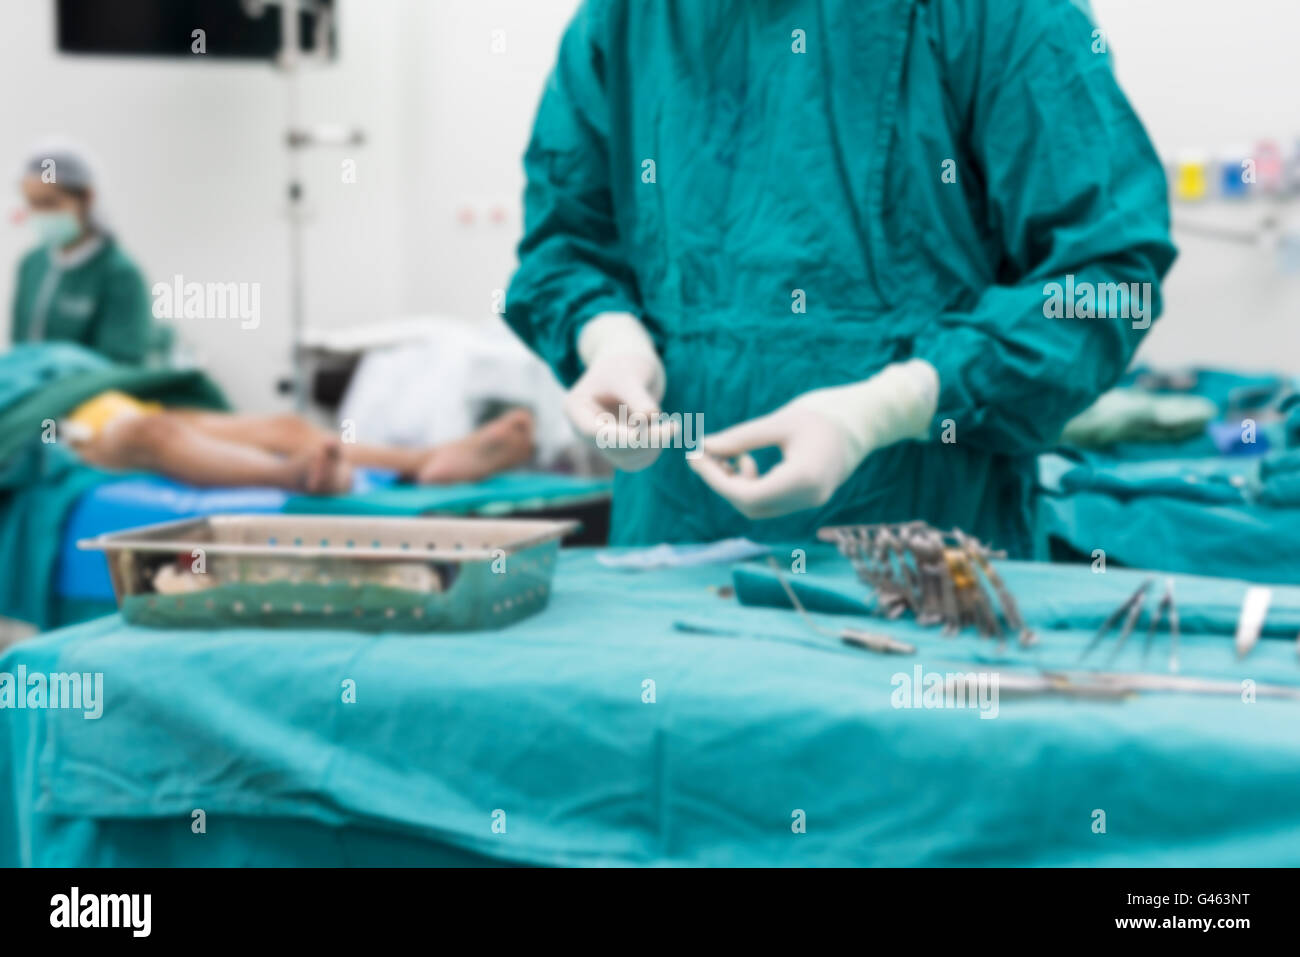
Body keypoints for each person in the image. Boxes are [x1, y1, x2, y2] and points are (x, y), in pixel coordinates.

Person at [506, 0, 1177, 553]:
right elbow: (567, 245)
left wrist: (890, 406)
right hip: (670, 546)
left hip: (926, 556)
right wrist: (612, 343)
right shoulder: (624, 23)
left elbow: (1105, 275)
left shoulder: (997, 17)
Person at [63, 391, 535, 494]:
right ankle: (287, 475)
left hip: (111, 395)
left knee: (285, 427)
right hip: (64, 426)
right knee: (155, 435)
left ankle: (426, 459)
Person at [11, 146, 154, 364]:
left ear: (87, 198)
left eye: (50, 202)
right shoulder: (31, 264)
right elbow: (19, 347)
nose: (39, 212)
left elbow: (123, 364)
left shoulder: (120, 274)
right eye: (33, 203)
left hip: (89, 396)